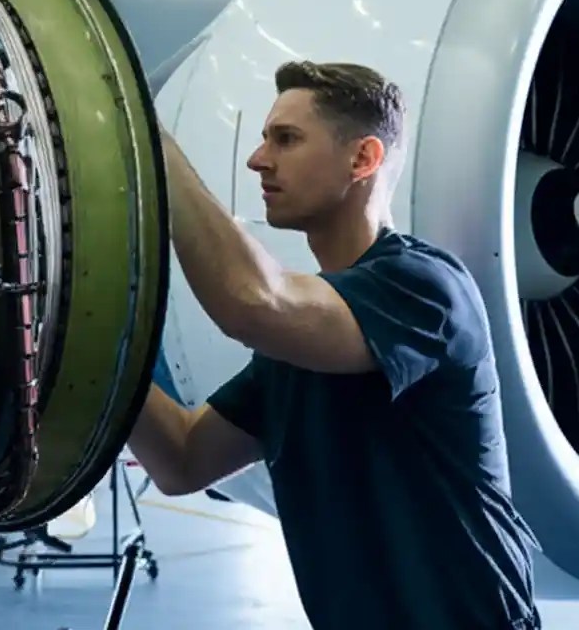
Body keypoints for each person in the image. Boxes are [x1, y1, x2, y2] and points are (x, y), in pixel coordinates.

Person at [127, 60, 541, 630]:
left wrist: (148, 141)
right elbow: (181, 459)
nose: (258, 159)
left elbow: (253, 301)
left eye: (287, 139)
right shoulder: (298, 346)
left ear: (364, 159)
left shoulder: (425, 289)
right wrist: (71, 339)